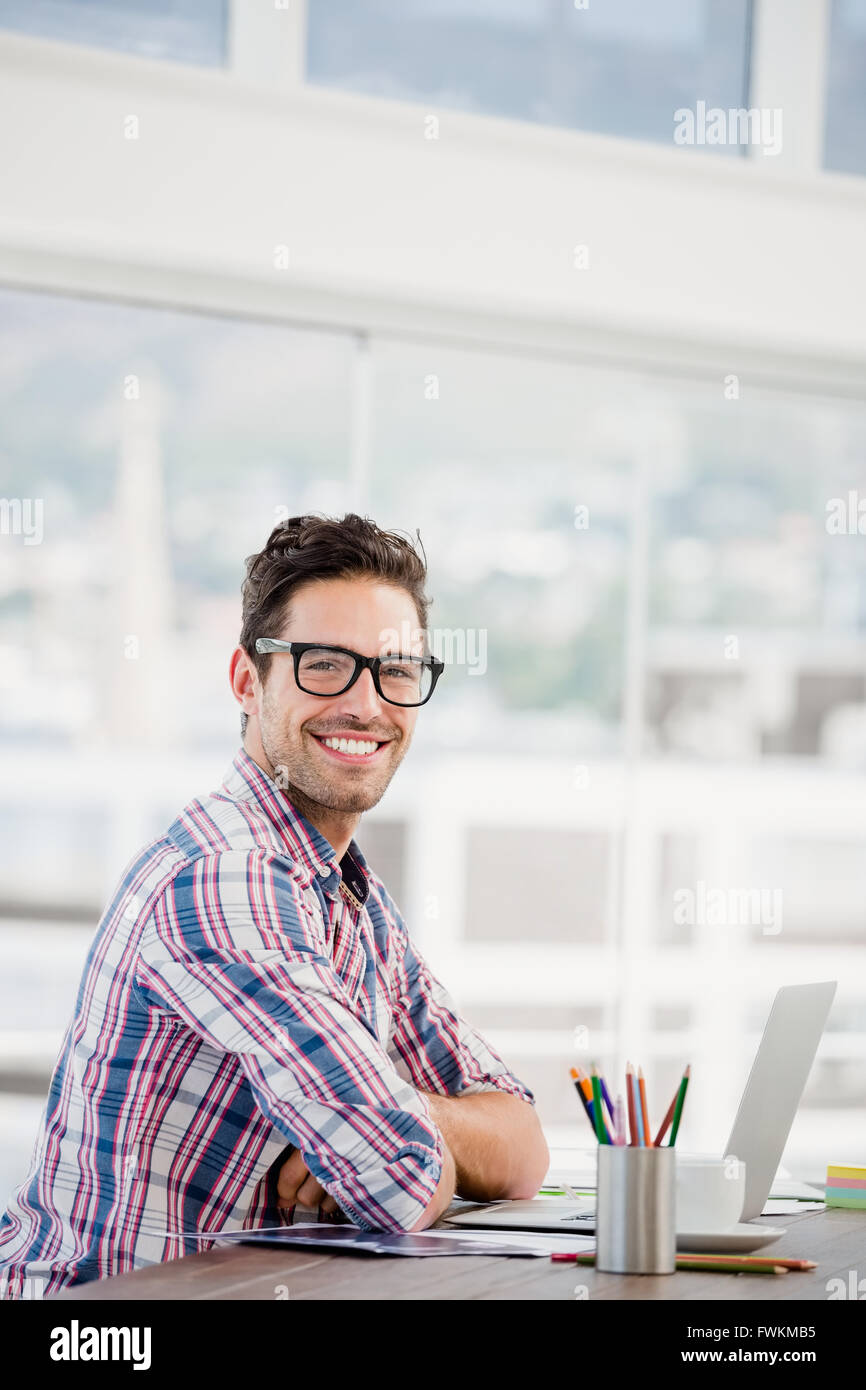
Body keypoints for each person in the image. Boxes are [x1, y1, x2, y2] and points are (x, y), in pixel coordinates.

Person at [0, 512, 547, 1295]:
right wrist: (383, 1140)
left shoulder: (341, 889)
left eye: (396, 669)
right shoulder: (227, 880)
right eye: (325, 665)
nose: (366, 704)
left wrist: (388, 1116)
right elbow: (402, 1185)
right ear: (247, 682)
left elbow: (523, 1149)